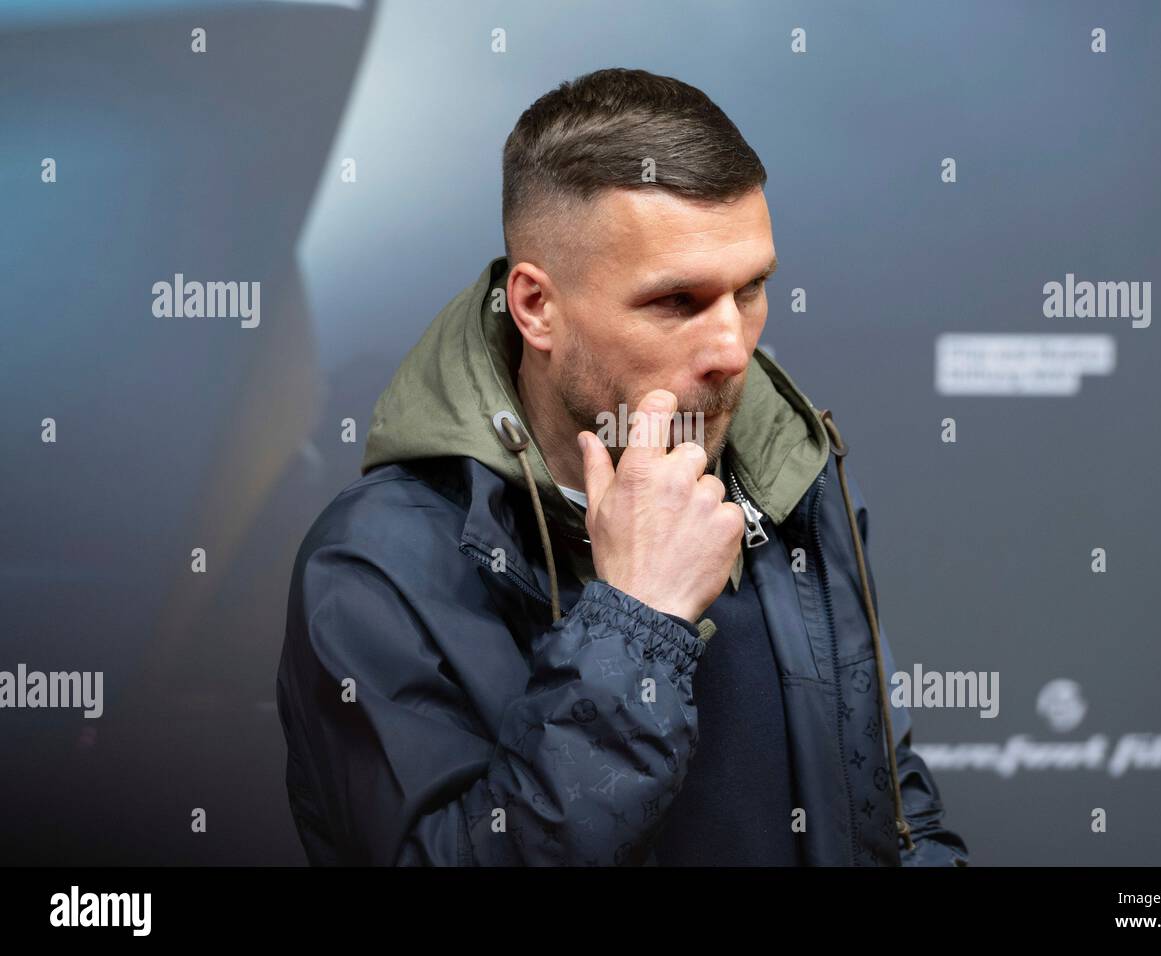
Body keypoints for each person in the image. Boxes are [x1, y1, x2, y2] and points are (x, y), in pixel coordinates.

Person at [275, 66, 969, 867]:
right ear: (536, 307)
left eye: (750, 290)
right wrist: (638, 620)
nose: (732, 349)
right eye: (676, 302)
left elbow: (888, 800)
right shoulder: (375, 562)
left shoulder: (792, 481)